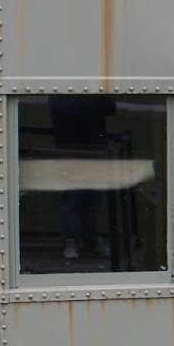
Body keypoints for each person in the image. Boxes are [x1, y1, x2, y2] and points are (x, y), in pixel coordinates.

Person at [47, 96, 117, 261]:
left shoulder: (60, 93)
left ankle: (79, 241)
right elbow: (110, 108)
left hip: (75, 150)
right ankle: (82, 241)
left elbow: (110, 108)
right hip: (82, 151)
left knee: (82, 200)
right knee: (81, 200)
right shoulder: (86, 93)